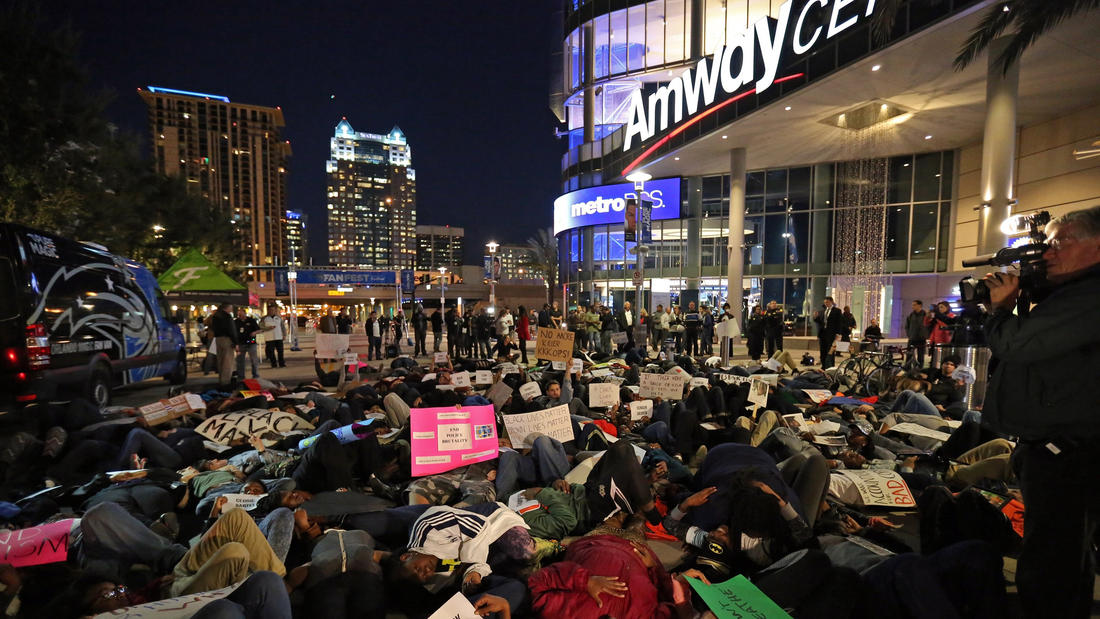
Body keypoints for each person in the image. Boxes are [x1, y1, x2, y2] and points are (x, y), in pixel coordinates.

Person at [980, 205, 1100, 619]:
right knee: (1063, 556)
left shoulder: (1091, 296)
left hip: (1068, 453)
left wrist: (1000, 310)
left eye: (1060, 242)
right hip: (1060, 446)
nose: (1048, 252)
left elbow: (1019, 345)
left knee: (1050, 563)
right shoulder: (1071, 294)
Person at [211, 303, 238, 389]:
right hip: (227, 339)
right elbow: (231, 330)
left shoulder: (215, 316)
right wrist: (236, 342)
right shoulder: (227, 317)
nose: (232, 309)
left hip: (218, 339)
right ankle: (226, 382)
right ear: (227, 308)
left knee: (220, 360)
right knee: (228, 362)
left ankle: (221, 379)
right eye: (231, 308)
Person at [812, 296, 843, 369]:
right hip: (822, 334)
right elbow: (820, 322)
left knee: (830, 351)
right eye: (825, 302)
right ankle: (823, 366)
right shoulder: (822, 311)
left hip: (831, 334)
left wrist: (838, 334)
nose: (826, 304)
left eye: (827, 302)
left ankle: (830, 366)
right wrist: (815, 317)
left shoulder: (837, 311)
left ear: (831, 302)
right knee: (823, 351)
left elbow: (839, 323)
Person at [233, 308, 262, 381]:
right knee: (240, 360)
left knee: (253, 359)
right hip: (240, 343)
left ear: (245, 314)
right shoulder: (236, 322)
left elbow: (259, 330)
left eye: (242, 314)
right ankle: (241, 376)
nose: (240, 316)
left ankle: (255, 374)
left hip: (251, 342)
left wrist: (254, 333)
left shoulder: (251, 321)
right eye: (239, 315)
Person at [904, 300, 929, 367]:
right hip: (912, 338)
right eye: (912, 305)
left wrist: (925, 335)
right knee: (909, 355)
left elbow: (929, 325)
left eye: (914, 305)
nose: (912, 306)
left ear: (919, 305)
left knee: (921, 356)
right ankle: (907, 370)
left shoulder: (925, 315)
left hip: (921, 339)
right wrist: (909, 334)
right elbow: (907, 326)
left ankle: (919, 370)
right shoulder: (911, 315)